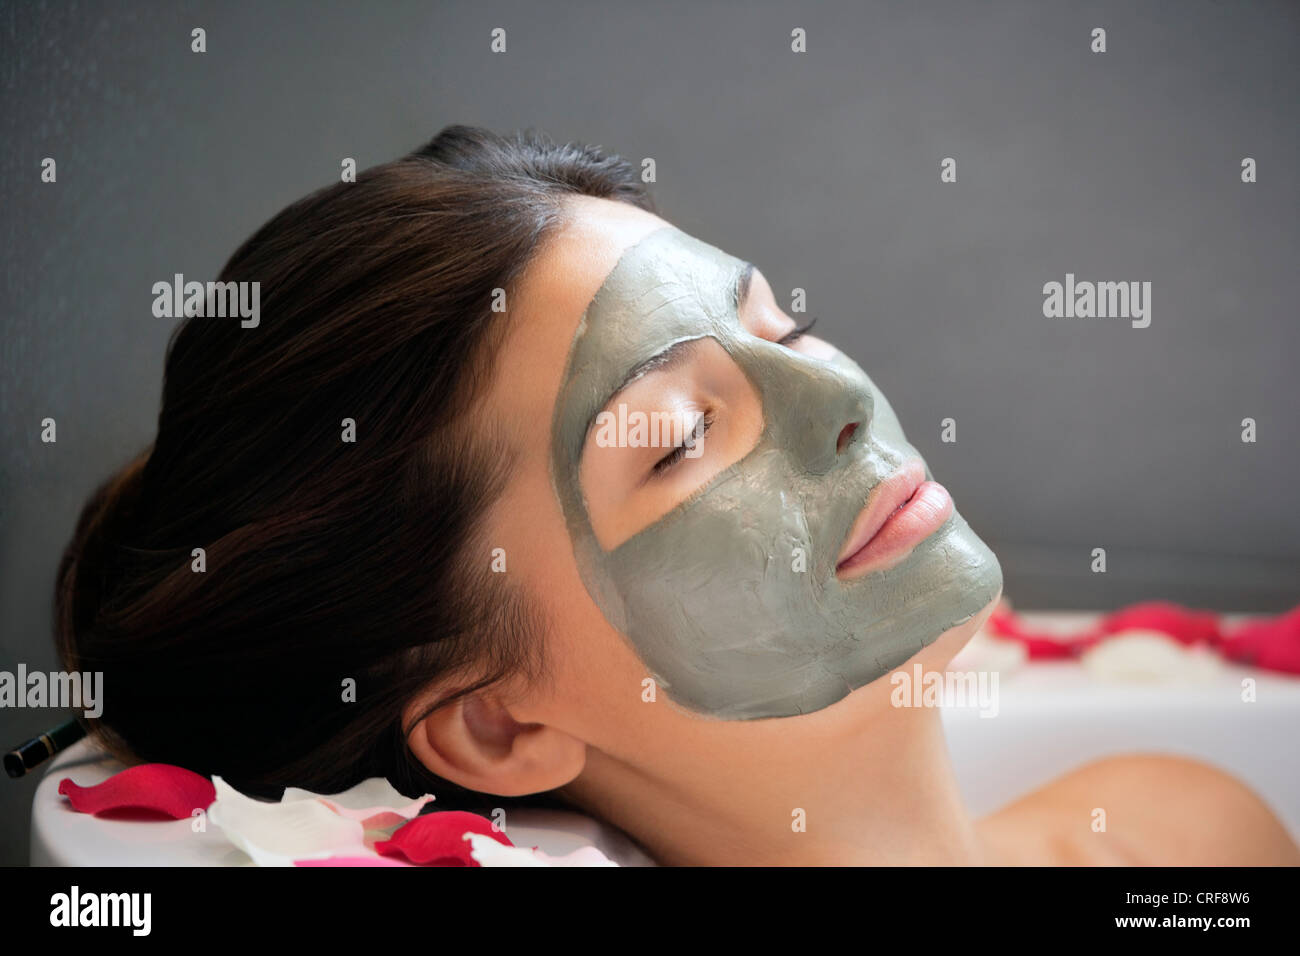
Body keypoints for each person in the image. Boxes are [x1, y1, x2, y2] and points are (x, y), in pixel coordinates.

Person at [56, 125, 1299, 865]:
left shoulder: (1171, 829)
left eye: (787, 327)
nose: (842, 402)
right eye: (681, 434)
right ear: (497, 725)